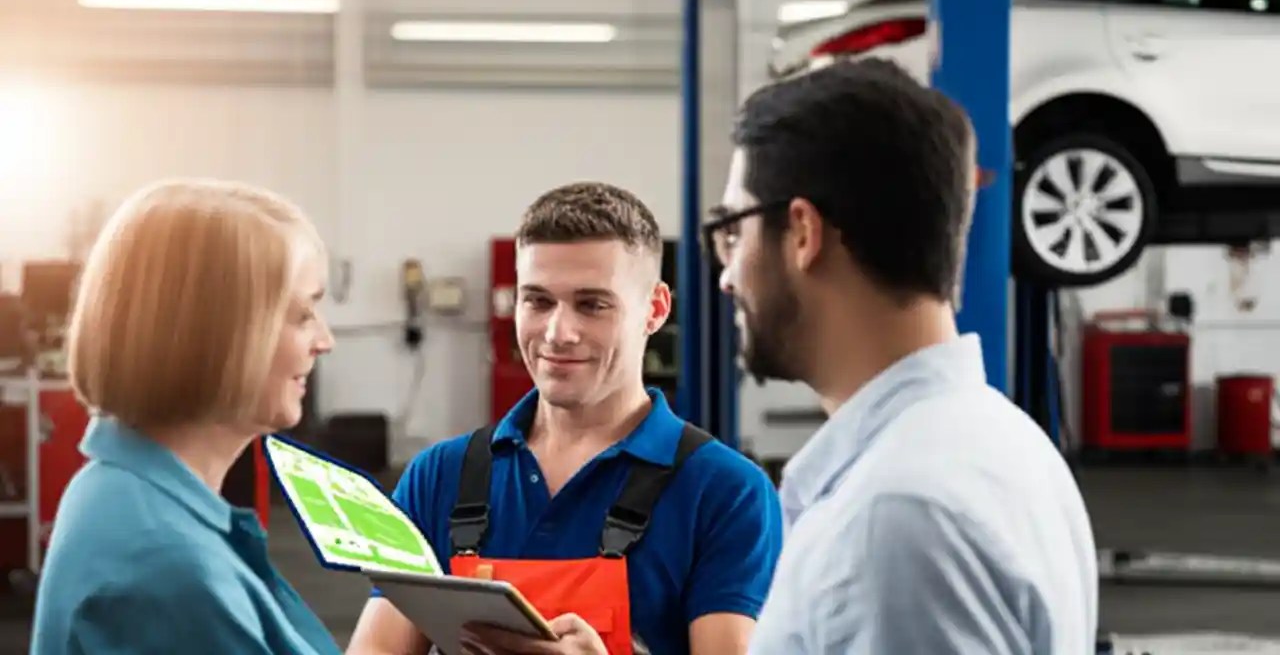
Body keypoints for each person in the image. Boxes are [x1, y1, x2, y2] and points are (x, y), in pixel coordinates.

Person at [707, 58, 1098, 654]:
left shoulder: (893, 518)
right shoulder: (1008, 444)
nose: (726, 276)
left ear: (803, 233)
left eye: (733, 230)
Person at [348, 182, 783, 655]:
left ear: (654, 310)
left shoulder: (725, 492)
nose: (558, 333)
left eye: (592, 304)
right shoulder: (438, 477)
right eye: (537, 301)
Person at [31, 179, 340, 654]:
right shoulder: (171, 571)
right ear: (220, 336)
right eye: (302, 315)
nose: (324, 341)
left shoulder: (121, 491)